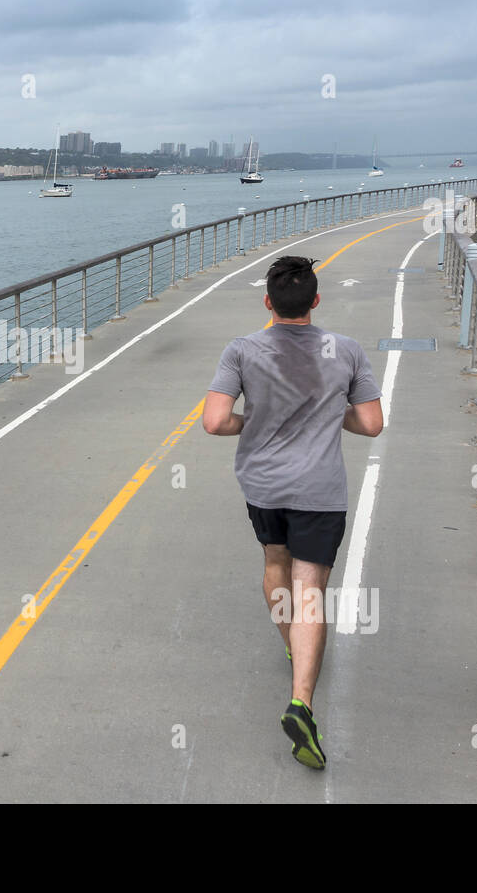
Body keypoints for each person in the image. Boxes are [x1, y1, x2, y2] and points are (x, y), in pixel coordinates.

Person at [202, 255, 383, 770]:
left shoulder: (242, 350)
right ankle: (302, 701)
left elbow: (215, 423)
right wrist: (332, 413)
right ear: (315, 302)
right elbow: (371, 424)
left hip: (263, 485)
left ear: (268, 304)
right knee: (311, 590)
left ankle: (291, 646)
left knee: (274, 564)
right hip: (319, 490)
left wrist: (254, 421)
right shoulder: (345, 350)